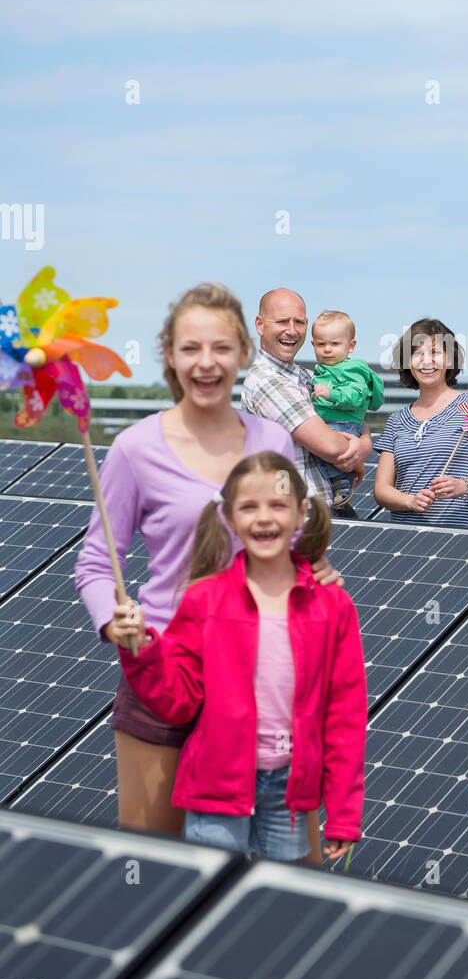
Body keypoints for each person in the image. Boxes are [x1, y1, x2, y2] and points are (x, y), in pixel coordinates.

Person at [75, 283, 341, 859]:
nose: (206, 362)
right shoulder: (133, 449)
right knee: (161, 873)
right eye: (190, 348)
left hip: (267, 676)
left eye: (221, 348)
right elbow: (99, 561)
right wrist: (113, 622)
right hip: (168, 671)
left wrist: (313, 567)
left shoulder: (272, 439)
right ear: (169, 356)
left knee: (296, 879)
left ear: (244, 353)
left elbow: (289, 537)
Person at [115, 453, 366, 863]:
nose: (263, 518)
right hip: (215, 784)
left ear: (302, 511)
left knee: (278, 907)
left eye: (277, 505)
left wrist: (342, 812)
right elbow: (177, 701)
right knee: (207, 904)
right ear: (230, 519)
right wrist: (140, 649)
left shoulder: (332, 605)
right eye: (249, 507)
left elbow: (345, 714)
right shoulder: (204, 598)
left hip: (290, 793)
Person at [241, 289, 372, 509]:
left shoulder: (307, 376)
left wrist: (362, 445)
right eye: (282, 321)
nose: (291, 331)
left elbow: (354, 417)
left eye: (299, 322)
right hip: (293, 518)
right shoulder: (267, 382)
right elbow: (330, 446)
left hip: (319, 515)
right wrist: (358, 447)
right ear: (260, 325)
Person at [373, 318, 468, 528]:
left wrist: (465, 485)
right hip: (404, 537)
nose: (427, 361)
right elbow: (381, 489)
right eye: (418, 353)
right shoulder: (396, 421)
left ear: (450, 359)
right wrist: (410, 501)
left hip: (459, 536)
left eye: (435, 353)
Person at [310, 310, 384, 508]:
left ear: (350, 346)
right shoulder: (321, 370)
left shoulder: (352, 370)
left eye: (334, 344)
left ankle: (342, 483)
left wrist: (331, 393)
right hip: (328, 422)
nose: (327, 349)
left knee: (334, 456)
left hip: (342, 423)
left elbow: (355, 397)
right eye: (321, 344)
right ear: (313, 345)